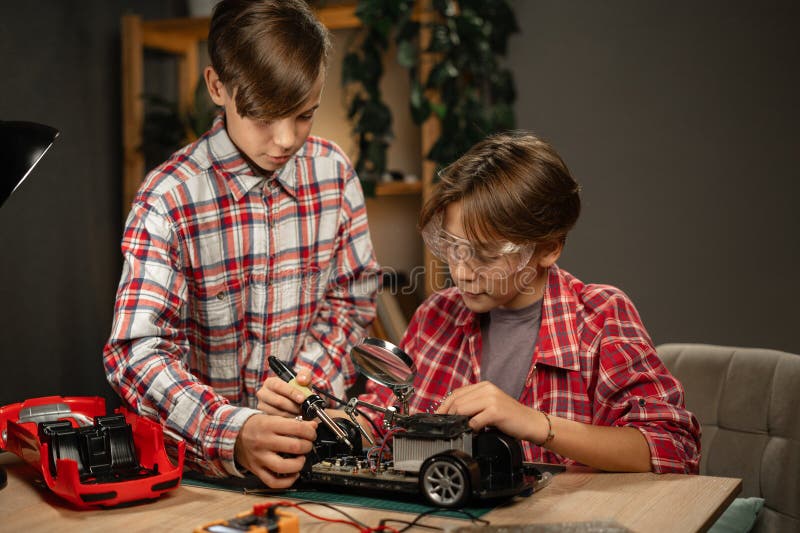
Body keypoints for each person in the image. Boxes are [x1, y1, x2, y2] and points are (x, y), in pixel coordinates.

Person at [270, 131, 701, 474]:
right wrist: (317, 416)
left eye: (485, 254)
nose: (461, 271)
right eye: (453, 248)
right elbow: (381, 429)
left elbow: (673, 448)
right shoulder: (436, 316)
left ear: (548, 248)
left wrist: (535, 424)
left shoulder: (601, 318)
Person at [103, 0, 380, 489]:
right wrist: (234, 431)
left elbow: (350, 302)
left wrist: (303, 385)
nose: (285, 139)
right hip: (200, 477)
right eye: (263, 117)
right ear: (217, 87)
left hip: (311, 457)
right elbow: (136, 353)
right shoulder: (168, 199)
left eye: (303, 116)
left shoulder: (334, 173)